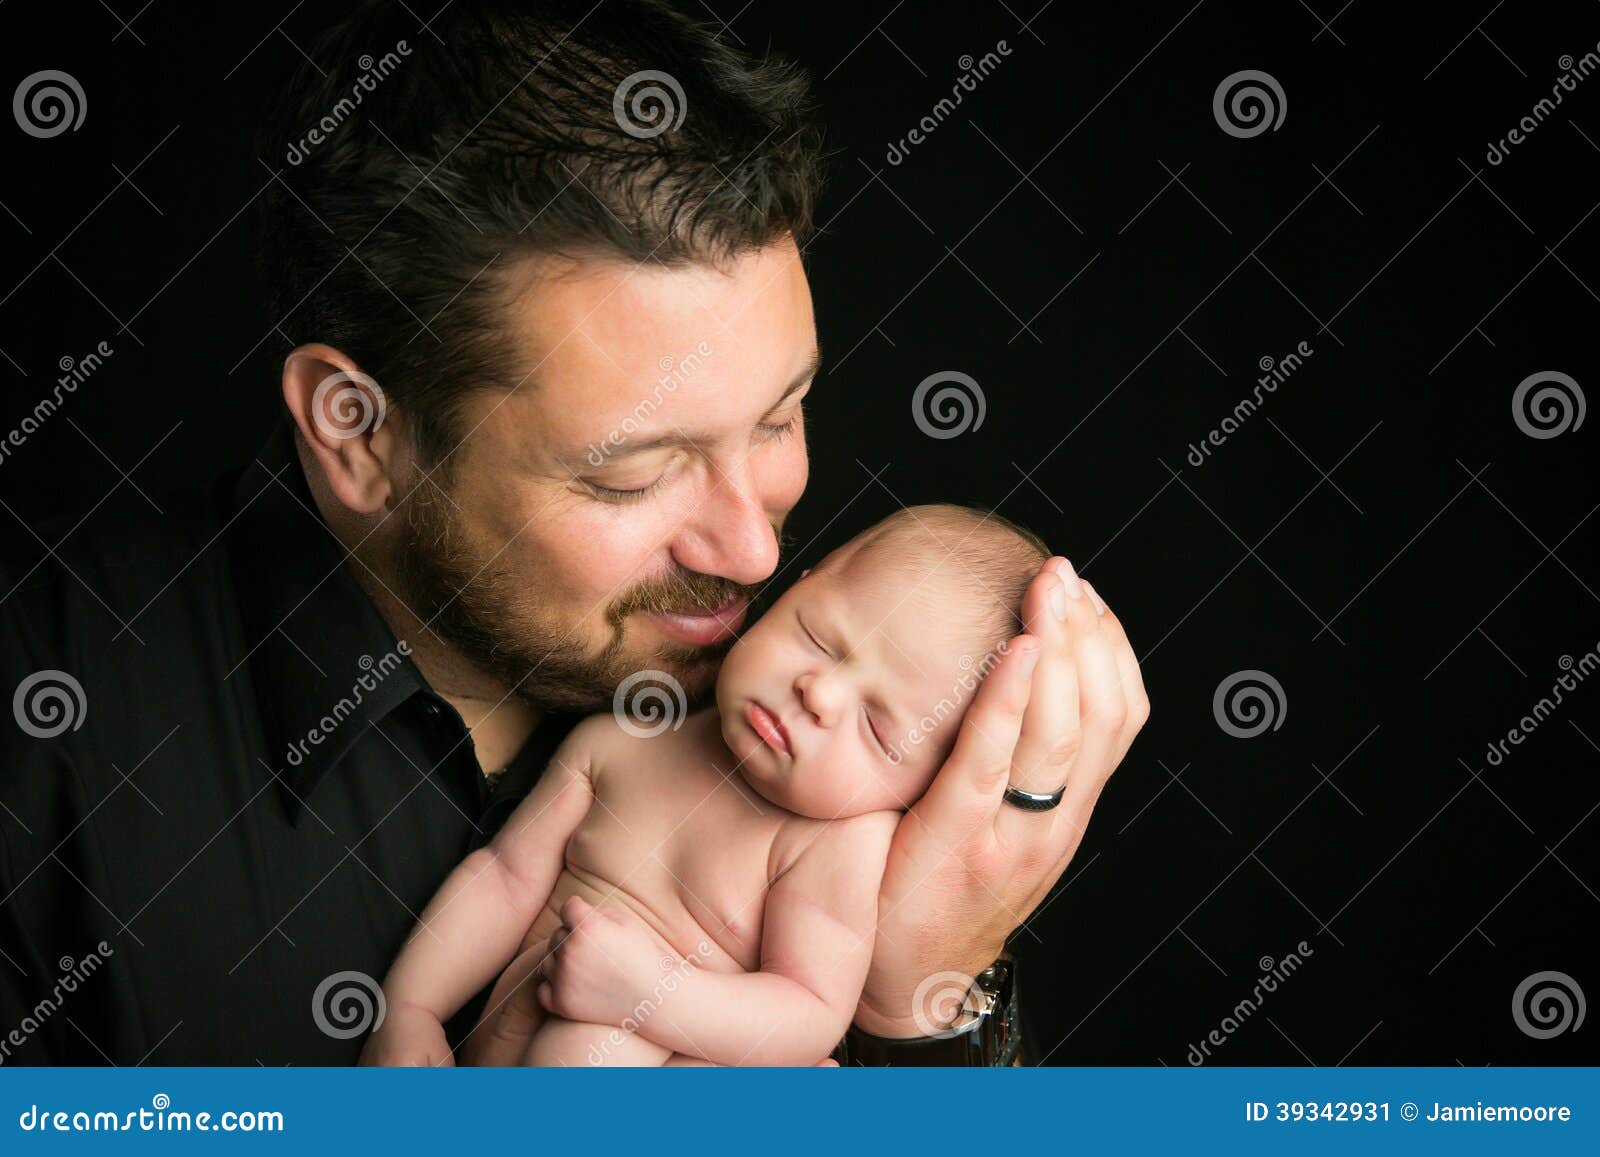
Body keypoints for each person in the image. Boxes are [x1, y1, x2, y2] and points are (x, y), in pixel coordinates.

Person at [0, 0, 1148, 1065]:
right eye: (636, 476)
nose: (754, 552)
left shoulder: (850, 707)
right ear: (357, 433)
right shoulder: (47, 724)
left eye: (781, 417)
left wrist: (930, 987)